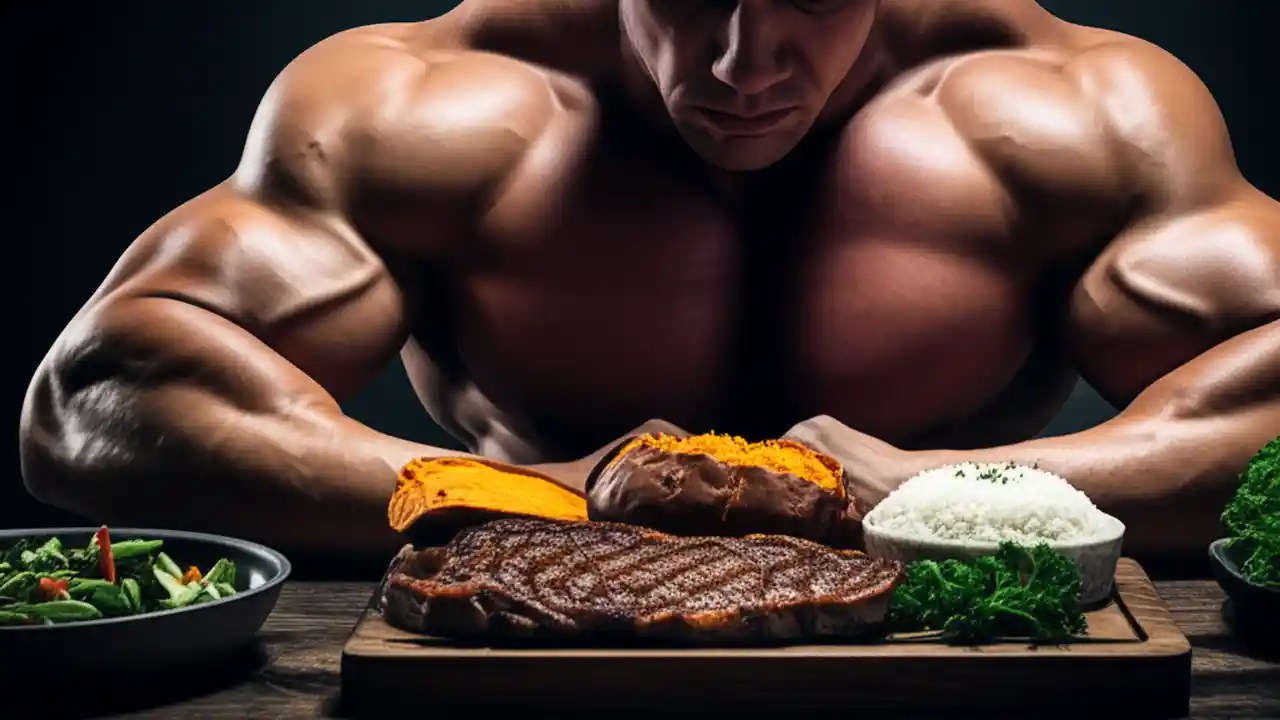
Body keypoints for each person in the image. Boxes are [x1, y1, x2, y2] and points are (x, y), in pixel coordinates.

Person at [20, 0, 1278, 560]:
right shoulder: (427, 103)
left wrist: (946, 493)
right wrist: (546, 497)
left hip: (947, 672)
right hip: (509, 668)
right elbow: (97, 397)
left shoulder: (1074, 107)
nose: (741, 59)